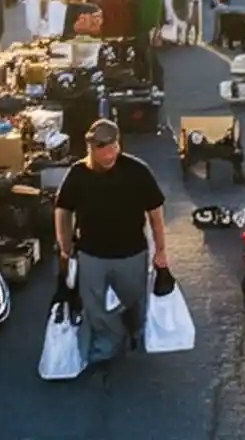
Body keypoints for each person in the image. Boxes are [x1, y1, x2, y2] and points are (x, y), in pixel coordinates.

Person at [54, 120, 169, 362]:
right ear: (91, 149)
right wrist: (65, 246)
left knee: (134, 300)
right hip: (91, 254)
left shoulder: (137, 171)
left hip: (132, 253)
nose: (109, 155)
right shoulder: (77, 174)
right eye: (102, 150)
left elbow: (155, 213)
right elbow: (63, 209)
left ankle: (134, 331)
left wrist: (160, 251)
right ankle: (106, 345)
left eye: (114, 147)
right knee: (94, 307)